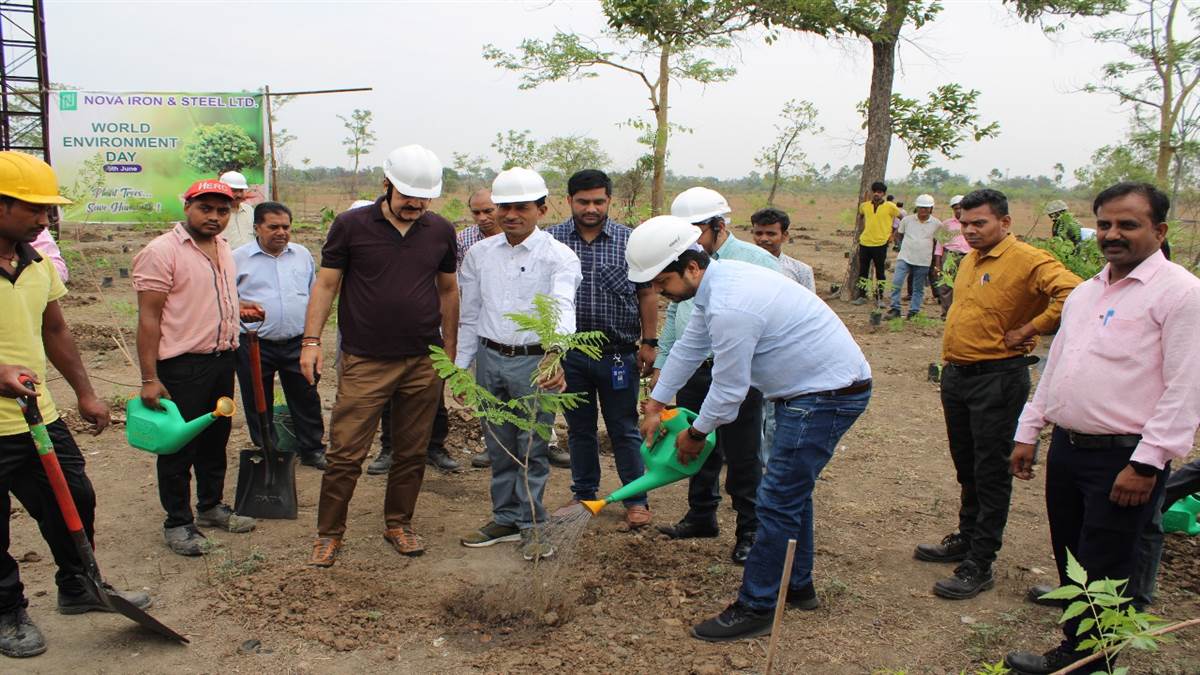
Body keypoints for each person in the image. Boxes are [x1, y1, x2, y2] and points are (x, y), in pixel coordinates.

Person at [629, 215, 872, 642]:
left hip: (825, 394)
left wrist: (696, 434)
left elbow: (729, 389)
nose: (660, 294)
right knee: (792, 492)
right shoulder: (714, 288)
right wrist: (655, 402)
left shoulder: (732, 302)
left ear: (691, 267)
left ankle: (756, 606)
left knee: (776, 499)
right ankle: (797, 586)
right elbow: (689, 347)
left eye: (662, 283)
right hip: (813, 390)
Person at [1004, 183, 1200, 675]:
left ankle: (1087, 661)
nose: (1114, 234)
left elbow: (1185, 387)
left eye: (1128, 225)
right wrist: (1029, 429)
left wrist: (1148, 462)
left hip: (1125, 458)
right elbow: (1057, 365)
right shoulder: (1087, 291)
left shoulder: (1181, 293)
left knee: (1106, 563)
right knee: (1072, 552)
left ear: (1158, 230)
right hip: (1070, 448)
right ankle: (1082, 646)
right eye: (1107, 224)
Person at [0, 152, 149, 659]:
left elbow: (55, 328)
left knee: (75, 498)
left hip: (36, 415)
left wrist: (85, 392)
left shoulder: (36, 262)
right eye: (33, 209)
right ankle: (6, 611)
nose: (45, 219)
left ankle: (79, 584)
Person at [913, 189, 1080, 600]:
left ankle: (981, 561)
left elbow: (1074, 292)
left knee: (990, 471)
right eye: (965, 224)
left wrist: (1031, 328)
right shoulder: (970, 258)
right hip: (958, 376)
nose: (970, 231)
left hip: (998, 379)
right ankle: (967, 537)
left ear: (1005, 223)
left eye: (980, 223)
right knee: (967, 465)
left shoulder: (1027, 258)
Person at [301, 145, 458, 567]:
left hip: (423, 362)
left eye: (424, 198)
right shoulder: (351, 226)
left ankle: (399, 524)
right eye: (408, 195)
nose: (416, 205)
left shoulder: (441, 230)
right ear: (386, 184)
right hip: (366, 360)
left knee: (411, 450)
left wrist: (450, 352)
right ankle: (329, 533)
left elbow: (448, 290)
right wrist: (311, 342)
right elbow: (327, 286)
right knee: (346, 452)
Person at [455, 168, 581, 561]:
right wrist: (462, 366)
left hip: (534, 362)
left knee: (531, 447)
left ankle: (533, 524)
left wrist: (555, 354)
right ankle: (505, 518)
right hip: (490, 358)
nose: (511, 215)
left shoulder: (558, 257)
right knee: (498, 445)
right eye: (504, 207)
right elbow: (469, 313)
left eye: (521, 207)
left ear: (541, 209)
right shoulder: (479, 255)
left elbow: (562, 305)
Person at [652, 187, 779, 565]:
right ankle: (701, 515)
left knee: (742, 454)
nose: (686, 241)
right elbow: (678, 318)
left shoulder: (754, 261)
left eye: (693, 231)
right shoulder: (683, 268)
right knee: (698, 451)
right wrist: (663, 365)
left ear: (717, 225)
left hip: (741, 372)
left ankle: (749, 529)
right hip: (694, 368)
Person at [134, 179, 258, 556]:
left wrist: (241, 307)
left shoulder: (222, 247)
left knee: (215, 438)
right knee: (178, 447)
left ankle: (210, 507)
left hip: (222, 360)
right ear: (187, 206)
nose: (215, 217)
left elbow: (215, 297)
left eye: (223, 211)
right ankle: (178, 522)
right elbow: (149, 319)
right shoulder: (161, 252)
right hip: (182, 366)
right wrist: (150, 378)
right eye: (206, 208)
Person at [547, 170, 658, 530]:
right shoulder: (552, 241)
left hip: (616, 354)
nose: (591, 208)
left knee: (623, 427)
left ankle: (636, 498)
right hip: (571, 356)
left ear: (609, 200)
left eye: (598, 201)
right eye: (583, 201)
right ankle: (584, 493)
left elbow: (646, 293)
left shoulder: (630, 241)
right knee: (579, 429)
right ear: (569, 201)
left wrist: (649, 342)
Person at [367, 188, 500, 475]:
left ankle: (435, 447)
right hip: (407, 323)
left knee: (434, 388)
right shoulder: (462, 238)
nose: (483, 217)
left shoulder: (439, 232)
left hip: (468, 323)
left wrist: (451, 339)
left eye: (488, 210)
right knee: (393, 390)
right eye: (477, 212)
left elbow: (449, 286)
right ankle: (389, 447)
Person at [232, 201, 326, 470]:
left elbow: (312, 295)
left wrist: (313, 339)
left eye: (286, 227)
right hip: (253, 342)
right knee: (257, 397)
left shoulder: (301, 255)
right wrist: (241, 309)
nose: (281, 232)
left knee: (306, 396)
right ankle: (268, 449)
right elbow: (228, 299)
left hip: (297, 342)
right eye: (273, 227)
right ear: (257, 228)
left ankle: (313, 449)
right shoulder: (238, 258)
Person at [888, 194, 941, 319]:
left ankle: (914, 311)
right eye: (921, 207)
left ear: (931, 209)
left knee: (918, 288)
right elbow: (898, 234)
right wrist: (902, 246)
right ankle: (895, 308)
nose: (923, 210)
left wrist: (936, 260)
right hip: (905, 257)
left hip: (923, 260)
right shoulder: (907, 220)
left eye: (926, 208)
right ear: (917, 208)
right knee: (896, 283)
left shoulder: (937, 224)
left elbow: (939, 242)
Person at [853, 181, 900, 305]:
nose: (876, 194)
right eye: (874, 192)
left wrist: (893, 234)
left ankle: (879, 297)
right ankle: (862, 296)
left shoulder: (890, 207)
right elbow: (861, 216)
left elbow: (902, 218)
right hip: (865, 242)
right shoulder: (864, 206)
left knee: (880, 272)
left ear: (883, 194)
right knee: (863, 271)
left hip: (880, 244)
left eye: (879, 192)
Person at [750, 207, 815, 292]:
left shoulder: (801, 271)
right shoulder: (742, 265)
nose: (763, 238)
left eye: (771, 234)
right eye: (759, 233)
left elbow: (809, 303)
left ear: (784, 236)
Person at [933, 194, 970, 318]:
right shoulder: (946, 224)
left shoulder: (972, 223)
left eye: (961, 207)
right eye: (956, 208)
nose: (958, 210)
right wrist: (937, 263)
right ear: (953, 209)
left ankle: (962, 313)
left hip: (968, 257)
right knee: (946, 285)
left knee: (966, 285)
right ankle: (947, 313)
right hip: (949, 256)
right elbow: (939, 245)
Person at [218, 171, 255, 249]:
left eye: (241, 191)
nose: (239, 195)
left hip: (250, 258)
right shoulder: (216, 213)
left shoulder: (249, 210)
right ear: (222, 190)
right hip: (225, 259)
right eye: (234, 191)